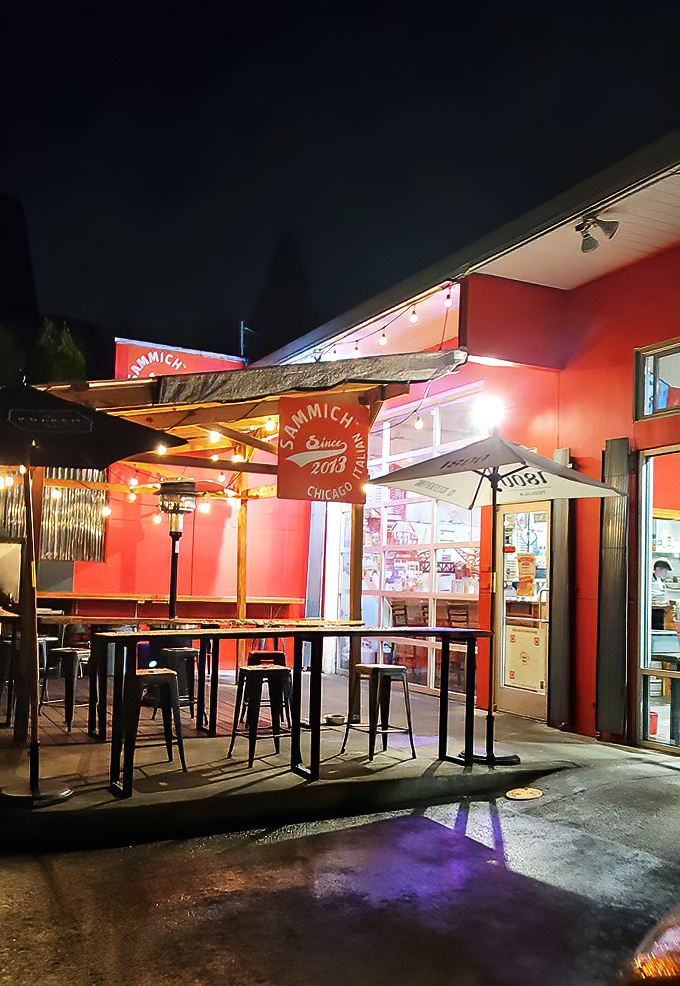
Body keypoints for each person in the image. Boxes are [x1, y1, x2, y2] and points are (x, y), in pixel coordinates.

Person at [651, 558, 673, 630]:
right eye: (664, 572)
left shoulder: (659, 580)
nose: (666, 574)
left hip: (660, 609)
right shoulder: (650, 580)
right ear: (657, 569)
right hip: (654, 610)